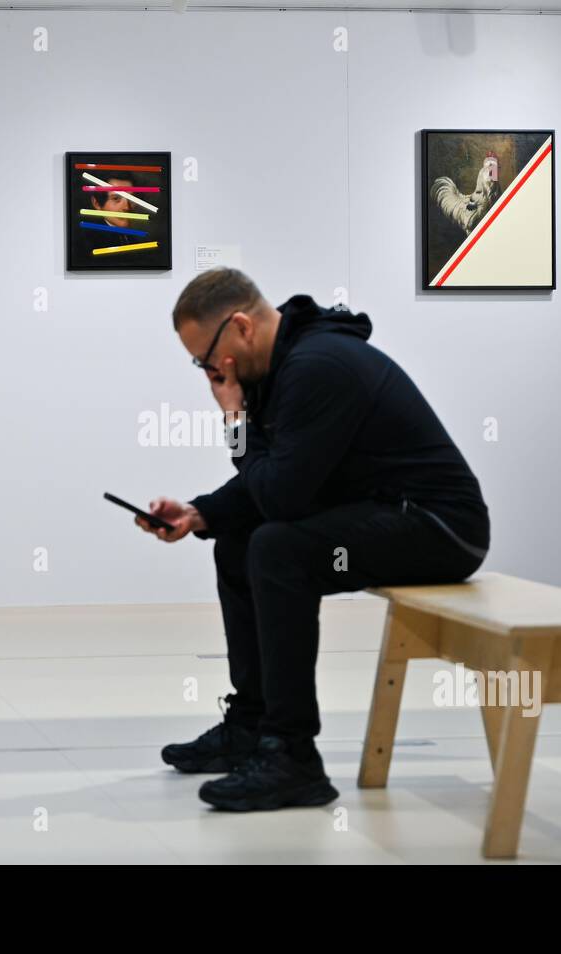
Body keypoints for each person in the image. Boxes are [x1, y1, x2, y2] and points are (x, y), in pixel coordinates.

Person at [135, 267, 490, 812]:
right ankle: (252, 726)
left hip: (441, 527)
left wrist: (234, 420)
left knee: (277, 548)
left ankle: (293, 757)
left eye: (206, 357)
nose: (208, 371)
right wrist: (199, 515)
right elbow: (276, 482)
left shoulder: (318, 367)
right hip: (384, 512)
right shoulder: (284, 369)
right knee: (237, 544)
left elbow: (281, 498)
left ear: (241, 328)